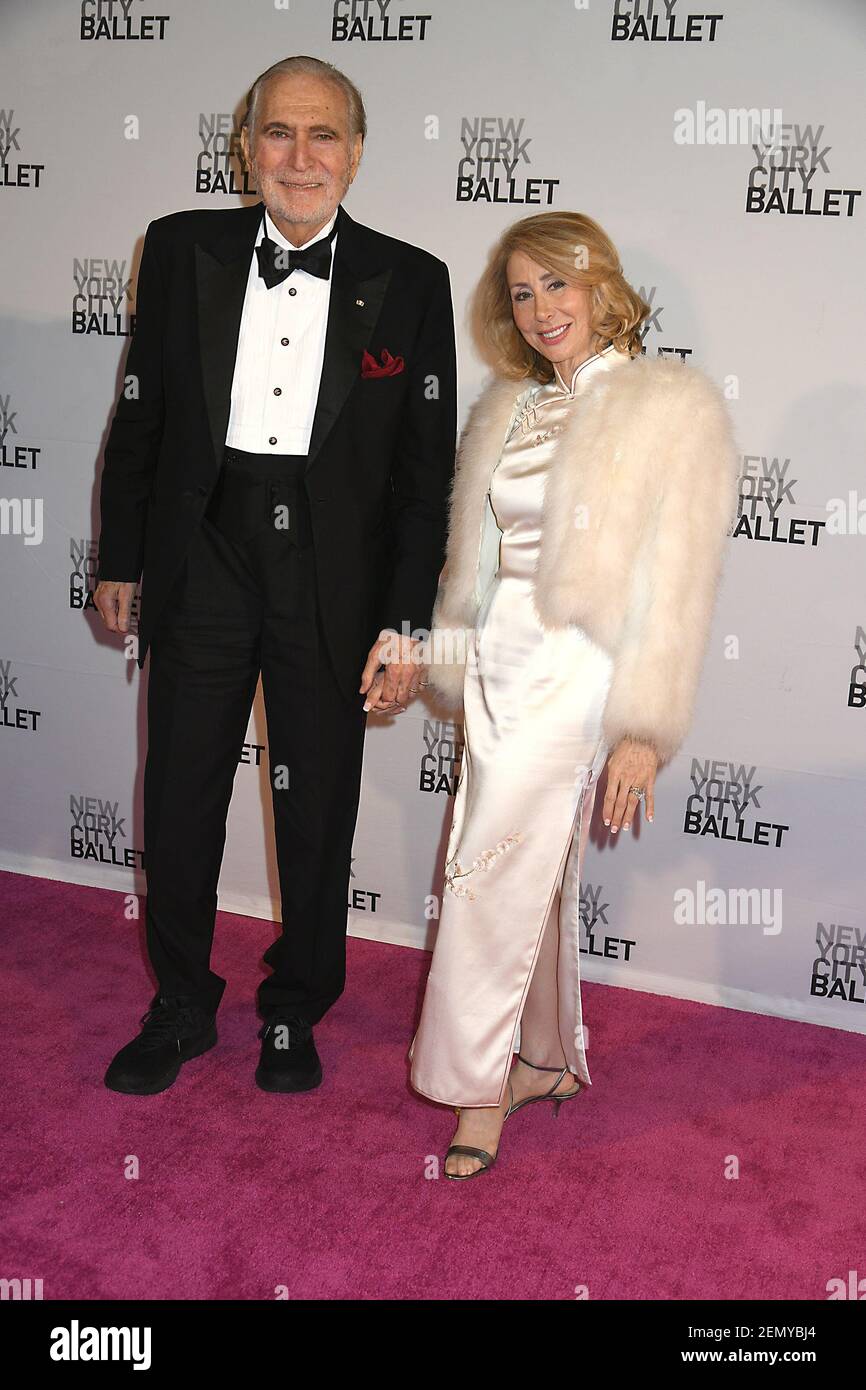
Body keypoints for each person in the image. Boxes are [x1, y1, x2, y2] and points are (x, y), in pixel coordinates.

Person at [95, 55, 456, 1096]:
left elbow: (423, 476)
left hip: (329, 575)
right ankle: (179, 1002)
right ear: (244, 143)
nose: (300, 158)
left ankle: (295, 1006)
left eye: (324, 135)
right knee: (180, 790)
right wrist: (123, 556)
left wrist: (404, 621)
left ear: (355, 149)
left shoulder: (410, 278)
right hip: (202, 550)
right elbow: (143, 412)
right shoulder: (178, 248)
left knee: (316, 800)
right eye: (277, 133)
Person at [409, 211, 738, 1177]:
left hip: (577, 668)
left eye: (559, 283)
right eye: (522, 291)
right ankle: (548, 1059)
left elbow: (674, 586)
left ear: (603, 286)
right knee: (528, 862)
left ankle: (474, 1086)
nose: (542, 308)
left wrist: (641, 731)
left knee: (485, 866)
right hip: (501, 664)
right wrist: (438, 649)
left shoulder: (667, 405)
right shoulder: (510, 404)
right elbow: (474, 561)